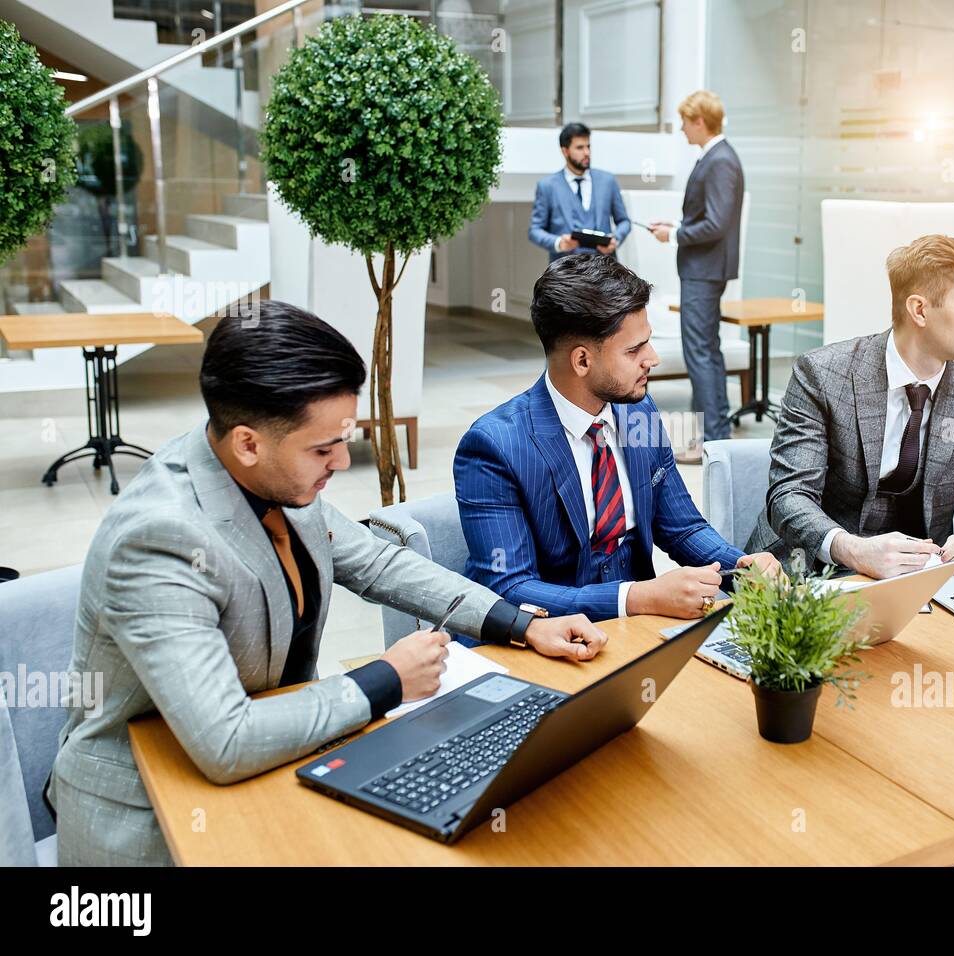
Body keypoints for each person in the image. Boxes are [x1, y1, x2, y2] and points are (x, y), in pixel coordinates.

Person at [48, 301, 603, 866]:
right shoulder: (161, 537)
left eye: (344, 438)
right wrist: (387, 679)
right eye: (323, 448)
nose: (341, 461)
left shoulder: (270, 474)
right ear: (248, 443)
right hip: (154, 815)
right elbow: (225, 741)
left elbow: (380, 564)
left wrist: (521, 624)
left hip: (281, 762)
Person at [454, 254, 779, 621]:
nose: (652, 359)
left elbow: (682, 527)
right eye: (634, 350)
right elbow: (510, 588)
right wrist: (637, 598)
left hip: (639, 636)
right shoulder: (494, 447)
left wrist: (741, 567)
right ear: (581, 361)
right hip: (548, 643)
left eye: (648, 343)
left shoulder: (637, 411)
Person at [746, 234, 954, 575]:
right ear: (919, 310)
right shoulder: (823, 375)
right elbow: (789, 495)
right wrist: (853, 550)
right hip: (806, 570)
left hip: (918, 581)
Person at [650, 90, 745, 461]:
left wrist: (673, 235)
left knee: (700, 353)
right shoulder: (718, 156)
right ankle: (716, 436)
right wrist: (676, 224)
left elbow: (717, 224)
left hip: (703, 271)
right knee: (707, 351)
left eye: (685, 122)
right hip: (704, 269)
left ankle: (711, 441)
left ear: (700, 121)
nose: (682, 129)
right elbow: (709, 217)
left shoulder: (719, 160)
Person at [528, 121, 631, 260]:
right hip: (566, 271)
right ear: (565, 151)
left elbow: (624, 221)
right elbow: (535, 230)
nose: (587, 153)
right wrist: (559, 243)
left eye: (588, 146)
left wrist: (615, 240)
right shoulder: (547, 186)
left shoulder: (608, 181)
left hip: (605, 270)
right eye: (580, 148)